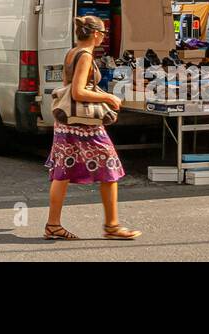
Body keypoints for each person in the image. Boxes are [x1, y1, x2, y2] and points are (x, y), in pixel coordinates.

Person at [42, 15, 138, 241]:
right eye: (103, 33)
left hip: (67, 123)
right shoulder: (85, 56)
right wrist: (108, 98)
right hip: (84, 125)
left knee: (62, 172)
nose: (103, 38)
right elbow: (77, 92)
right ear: (95, 34)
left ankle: (53, 225)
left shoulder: (71, 52)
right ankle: (112, 225)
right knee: (110, 166)